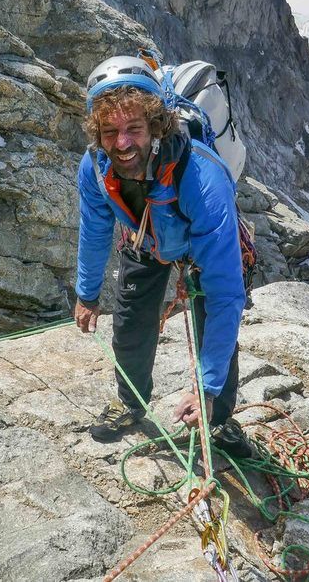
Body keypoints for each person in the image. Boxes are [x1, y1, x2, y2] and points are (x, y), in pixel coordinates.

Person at [73, 54, 251, 457]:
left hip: (196, 240)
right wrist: (86, 294)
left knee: (212, 320)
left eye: (133, 128)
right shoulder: (96, 167)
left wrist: (204, 387)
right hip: (146, 236)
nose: (121, 143)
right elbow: (95, 227)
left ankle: (218, 418)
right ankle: (130, 401)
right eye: (109, 130)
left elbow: (226, 295)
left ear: (155, 126)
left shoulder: (203, 179)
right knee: (131, 317)